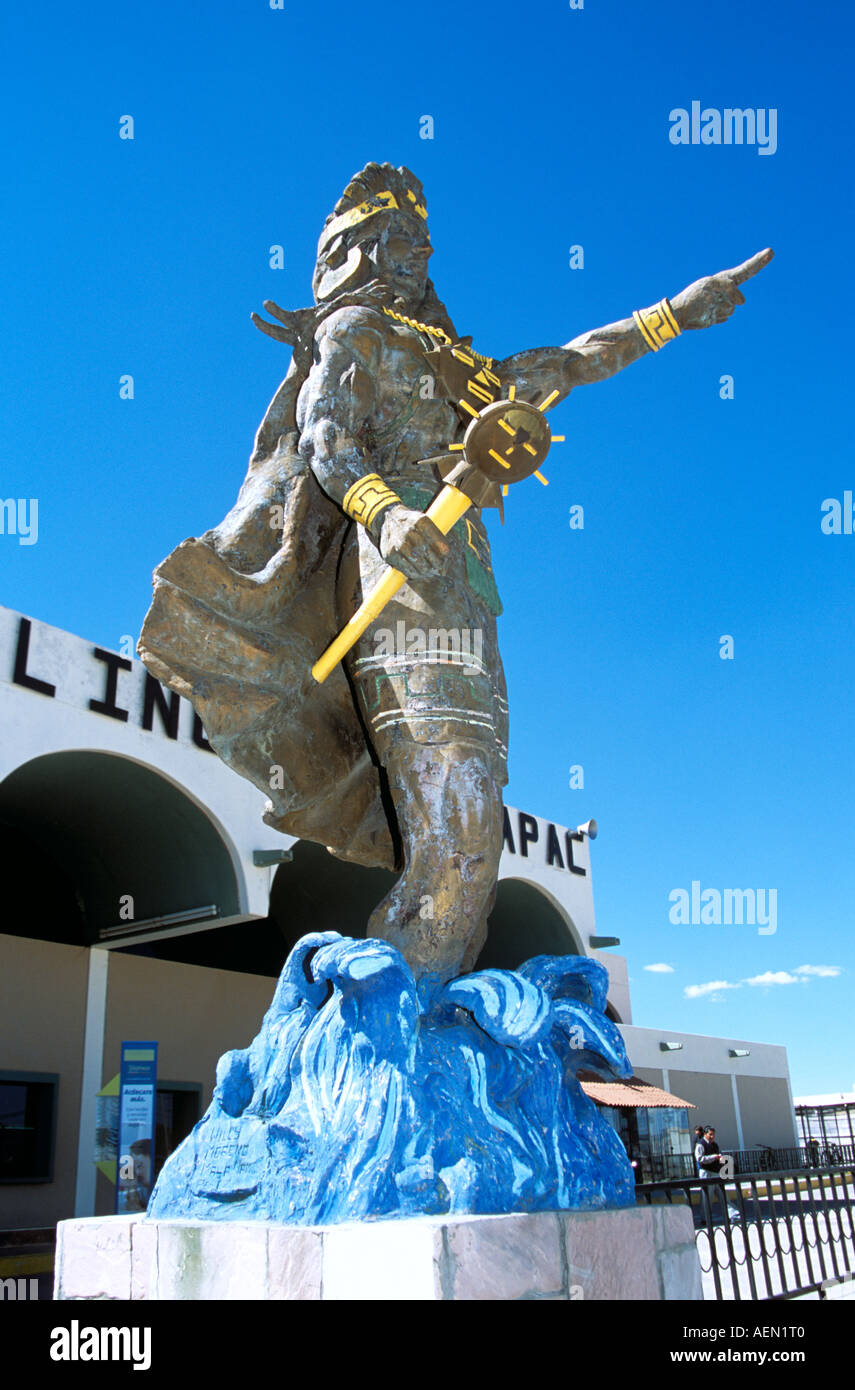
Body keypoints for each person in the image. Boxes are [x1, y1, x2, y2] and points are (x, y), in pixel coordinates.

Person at [140, 162, 773, 988]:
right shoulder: (356, 330)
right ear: (358, 252)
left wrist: (677, 316)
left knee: (472, 822)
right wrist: (386, 510)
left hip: (467, 583)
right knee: (457, 819)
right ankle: (385, 1028)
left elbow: (572, 363)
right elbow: (328, 434)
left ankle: (411, 1019)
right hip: (397, 570)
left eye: (422, 245)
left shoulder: (462, 371)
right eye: (397, 240)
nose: (414, 256)